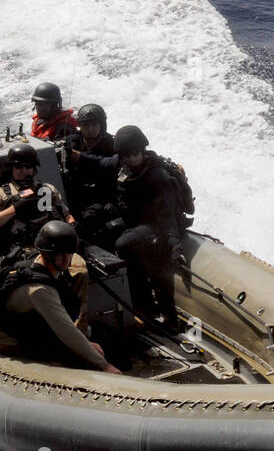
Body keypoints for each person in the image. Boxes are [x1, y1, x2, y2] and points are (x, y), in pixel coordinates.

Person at [68, 125, 186, 332]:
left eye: (134, 154)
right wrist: (76, 156)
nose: (130, 159)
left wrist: (175, 246)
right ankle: (133, 301)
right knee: (96, 234)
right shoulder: (123, 164)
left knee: (125, 245)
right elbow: (101, 163)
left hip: (156, 226)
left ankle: (161, 314)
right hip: (133, 220)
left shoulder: (158, 176)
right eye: (125, 155)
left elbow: (168, 215)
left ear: (142, 150)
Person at [0, 221, 121, 374]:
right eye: (61, 256)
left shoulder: (45, 265)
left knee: (95, 350)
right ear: (46, 254)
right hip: (14, 342)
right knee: (81, 363)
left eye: (69, 254)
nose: (66, 261)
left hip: (35, 332)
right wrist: (104, 366)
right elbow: (66, 331)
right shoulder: (39, 290)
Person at [0, 142, 78, 253]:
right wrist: (14, 209)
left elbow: (66, 215)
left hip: (54, 246)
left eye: (28, 166)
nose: (24, 171)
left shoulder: (47, 189)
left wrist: (72, 224)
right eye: (18, 167)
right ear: (11, 168)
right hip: (24, 251)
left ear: (33, 168)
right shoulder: (0, 193)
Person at [63, 103, 117, 238]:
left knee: (89, 220)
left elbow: (107, 164)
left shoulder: (112, 145)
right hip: (76, 194)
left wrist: (80, 158)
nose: (90, 129)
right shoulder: (71, 142)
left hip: (101, 196)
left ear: (102, 125)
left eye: (94, 125)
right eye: (86, 125)